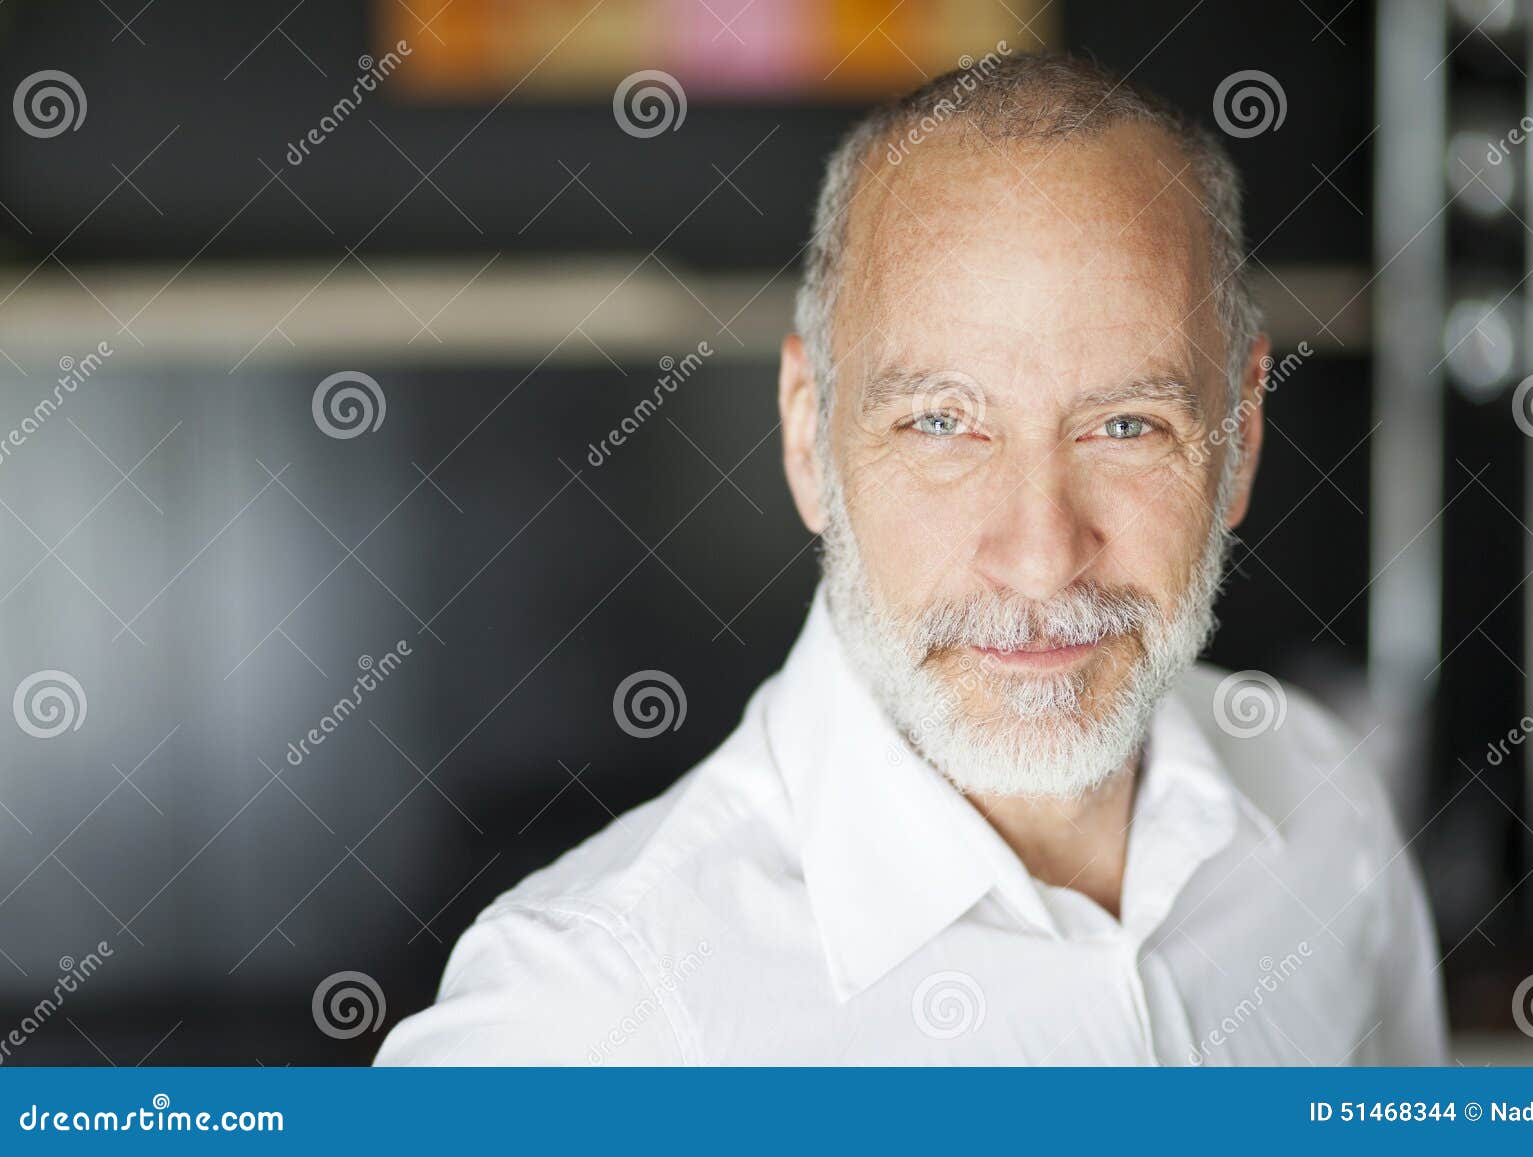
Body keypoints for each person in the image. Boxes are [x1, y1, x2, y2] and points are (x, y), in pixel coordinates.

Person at [376, 52, 1447, 1066]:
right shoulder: (579, 1016)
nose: (1041, 559)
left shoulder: (1324, 803)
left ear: (1240, 439)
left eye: (1126, 425)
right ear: (808, 436)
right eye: (941, 423)